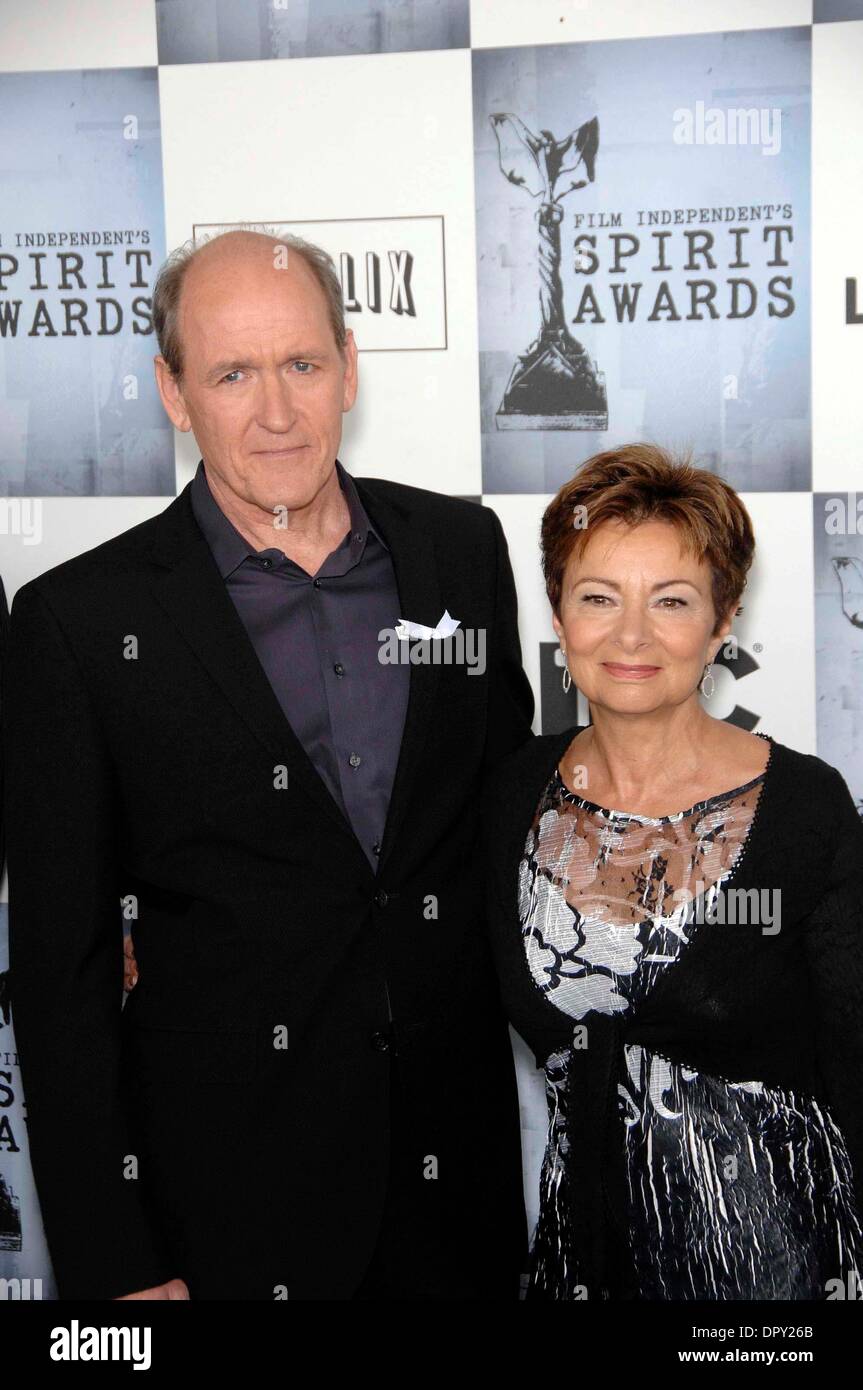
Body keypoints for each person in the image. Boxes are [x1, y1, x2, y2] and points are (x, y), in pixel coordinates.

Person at [2, 229, 534, 1300]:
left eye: (300, 364)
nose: (277, 411)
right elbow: (60, 976)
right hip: (225, 1209)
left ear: (347, 363)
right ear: (171, 391)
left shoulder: (459, 552)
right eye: (231, 374)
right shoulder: (79, 621)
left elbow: (502, 830)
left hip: (456, 1193)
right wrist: (117, 1259)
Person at [484, 444, 863, 1300]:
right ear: (557, 612)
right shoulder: (508, 795)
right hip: (582, 1263)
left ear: (723, 620)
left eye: (671, 602)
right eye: (597, 598)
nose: (630, 636)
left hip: (778, 1276)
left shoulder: (804, 806)